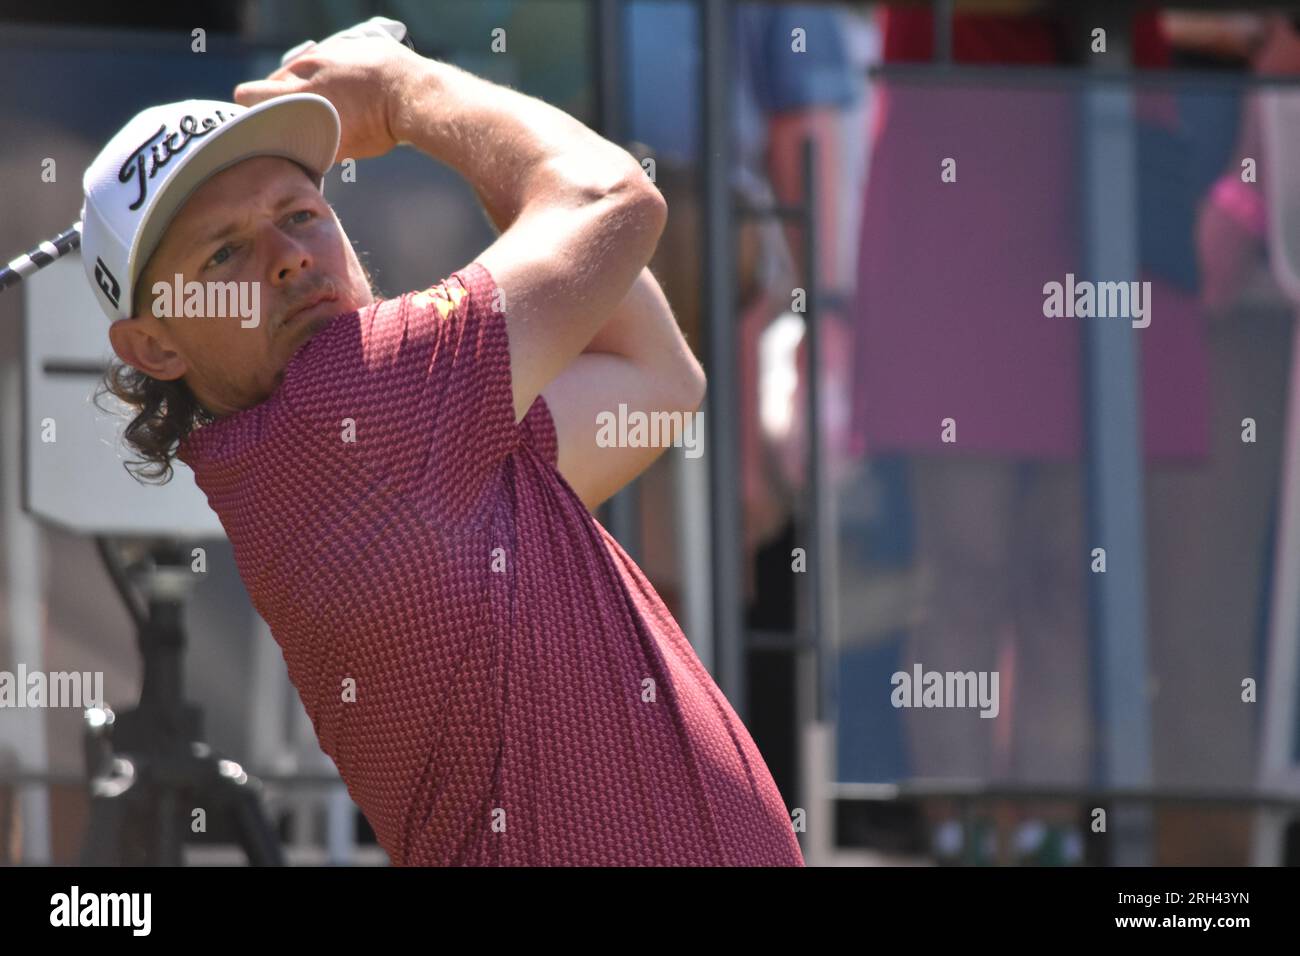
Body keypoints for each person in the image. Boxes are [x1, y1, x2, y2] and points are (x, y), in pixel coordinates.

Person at [84, 31, 803, 866]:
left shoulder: (390, 442)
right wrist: (406, 93)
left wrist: (516, 182)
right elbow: (612, 200)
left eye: (300, 215)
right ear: (155, 349)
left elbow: (654, 377)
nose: (285, 259)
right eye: (225, 253)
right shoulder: (358, 398)